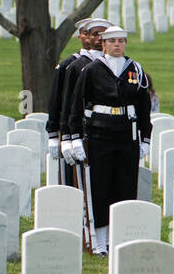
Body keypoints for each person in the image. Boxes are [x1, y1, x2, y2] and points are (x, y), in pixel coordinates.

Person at [64, 26, 152, 255]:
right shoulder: (92, 69)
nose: (117, 45)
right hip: (100, 134)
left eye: (121, 41)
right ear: (103, 44)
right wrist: (73, 138)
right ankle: (100, 240)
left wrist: (146, 138)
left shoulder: (135, 69)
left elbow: (144, 107)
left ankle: (120, 237)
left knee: (125, 185)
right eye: (112, 41)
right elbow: (76, 105)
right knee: (101, 186)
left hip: (127, 135)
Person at [46, 17, 97, 189]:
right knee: (73, 178)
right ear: (81, 37)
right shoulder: (69, 66)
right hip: (72, 127)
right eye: (87, 34)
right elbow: (58, 101)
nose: (94, 39)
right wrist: (55, 133)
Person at [57, 17, 111, 175]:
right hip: (82, 127)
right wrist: (66, 136)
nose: (99, 38)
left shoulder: (117, 65)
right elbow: (65, 103)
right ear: (84, 37)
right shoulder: (73, 66)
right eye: (94, 34)